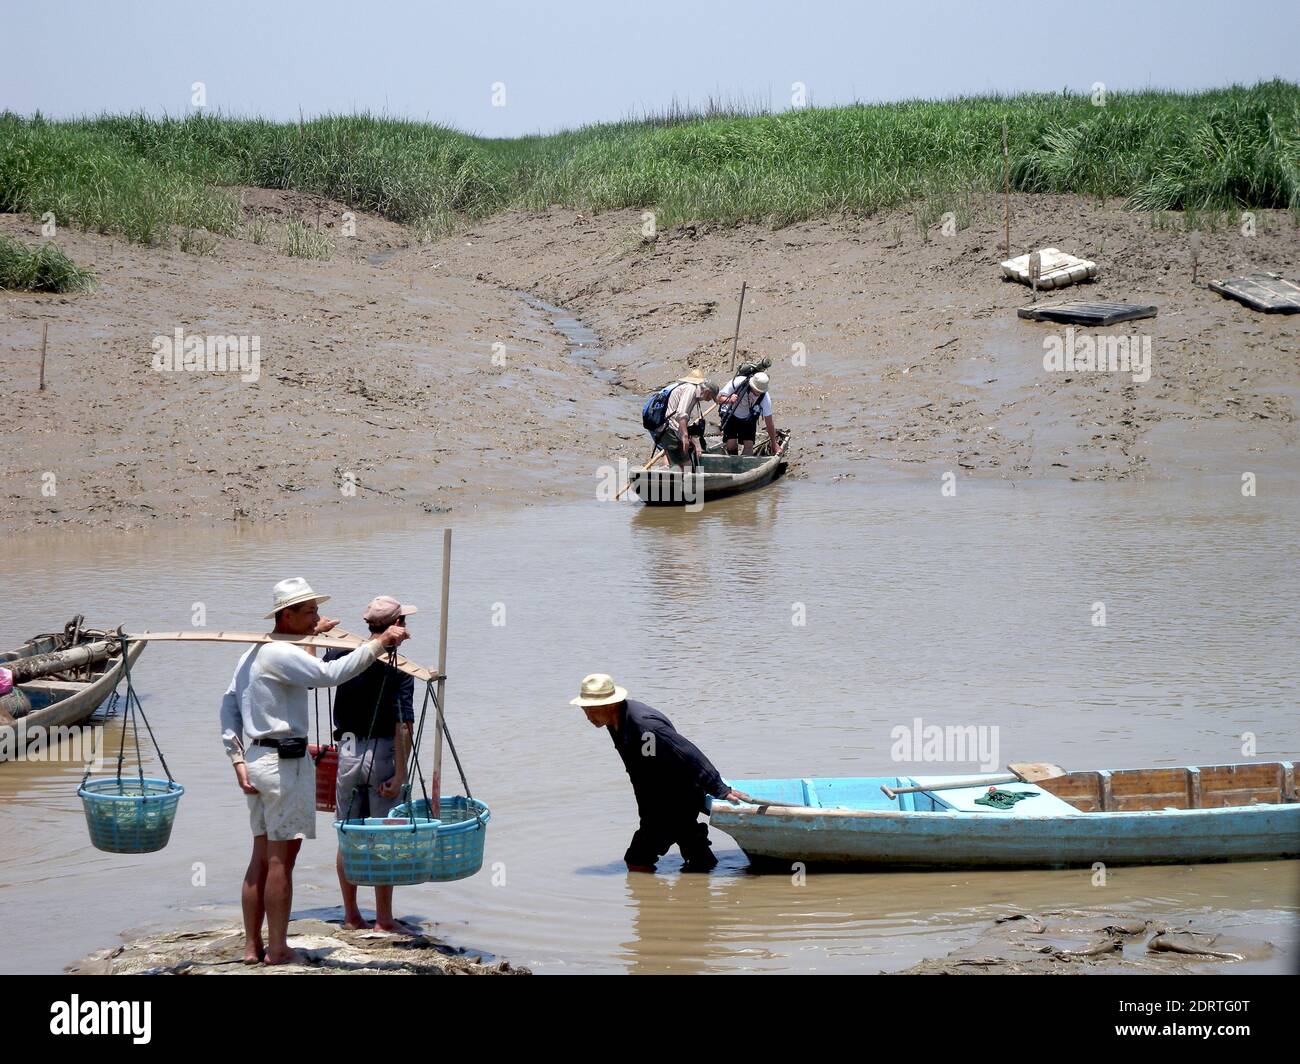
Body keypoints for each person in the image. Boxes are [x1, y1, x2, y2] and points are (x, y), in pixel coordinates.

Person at [220, 578, 409, 965]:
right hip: (284, 765)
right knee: (280, 862)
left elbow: (228, 706)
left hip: (257, 761)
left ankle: (253, 947)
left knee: (259, 857)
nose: (317, 619)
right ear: (287, 615)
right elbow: (328, 675)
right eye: (310, 613)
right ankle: (278, 949)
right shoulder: (277, 652)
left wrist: (237, 758)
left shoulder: (254, 653)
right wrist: (379, 644)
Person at [571, 673, 753, 873]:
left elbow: (689, 754)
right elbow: (640, 771)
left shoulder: (644, 726)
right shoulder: (615, 723)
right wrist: (645, 811)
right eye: (585, 710)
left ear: (608, 705)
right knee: (695, 852)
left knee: (637, 859)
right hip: (663, 797)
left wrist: (720, 789)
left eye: (589, 710)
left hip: (675, 797)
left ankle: (659, 900)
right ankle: (703, 885)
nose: (587, 717)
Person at [322, 595, 417, 933]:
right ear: (398, 626)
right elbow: (403, 724)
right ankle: (384, 919)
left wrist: (319, 636)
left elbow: (313, 677)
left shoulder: (340, 654)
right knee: (383, 837)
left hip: (347, 752)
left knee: (348, 836)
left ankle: (351, 915)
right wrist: (401, 773)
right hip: (382, 754)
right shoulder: (401, 668)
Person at [650, 369, 718, 471]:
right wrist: (685, 436)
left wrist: (693, 440)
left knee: (670, 457)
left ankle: (668, 479)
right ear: (707, 391)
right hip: (668, 428)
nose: (709, 400)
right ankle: (686, 484)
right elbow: (681, 414)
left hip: (663, 426)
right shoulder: (690, 389)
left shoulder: (687, 390)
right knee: (687, 464)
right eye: (710, 397)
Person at [717, 371, 781, 457]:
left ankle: (744, 466)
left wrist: (774, 443)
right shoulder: (738, 383)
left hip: (748, 416)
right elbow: (718, 398)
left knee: (749, 446)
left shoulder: (765, 398)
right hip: (731, 413)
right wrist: (730, 400)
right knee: (731, 444)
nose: (757, 394)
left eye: (759, 392)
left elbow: (769, 423)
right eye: (755, 391)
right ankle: (733, 463)